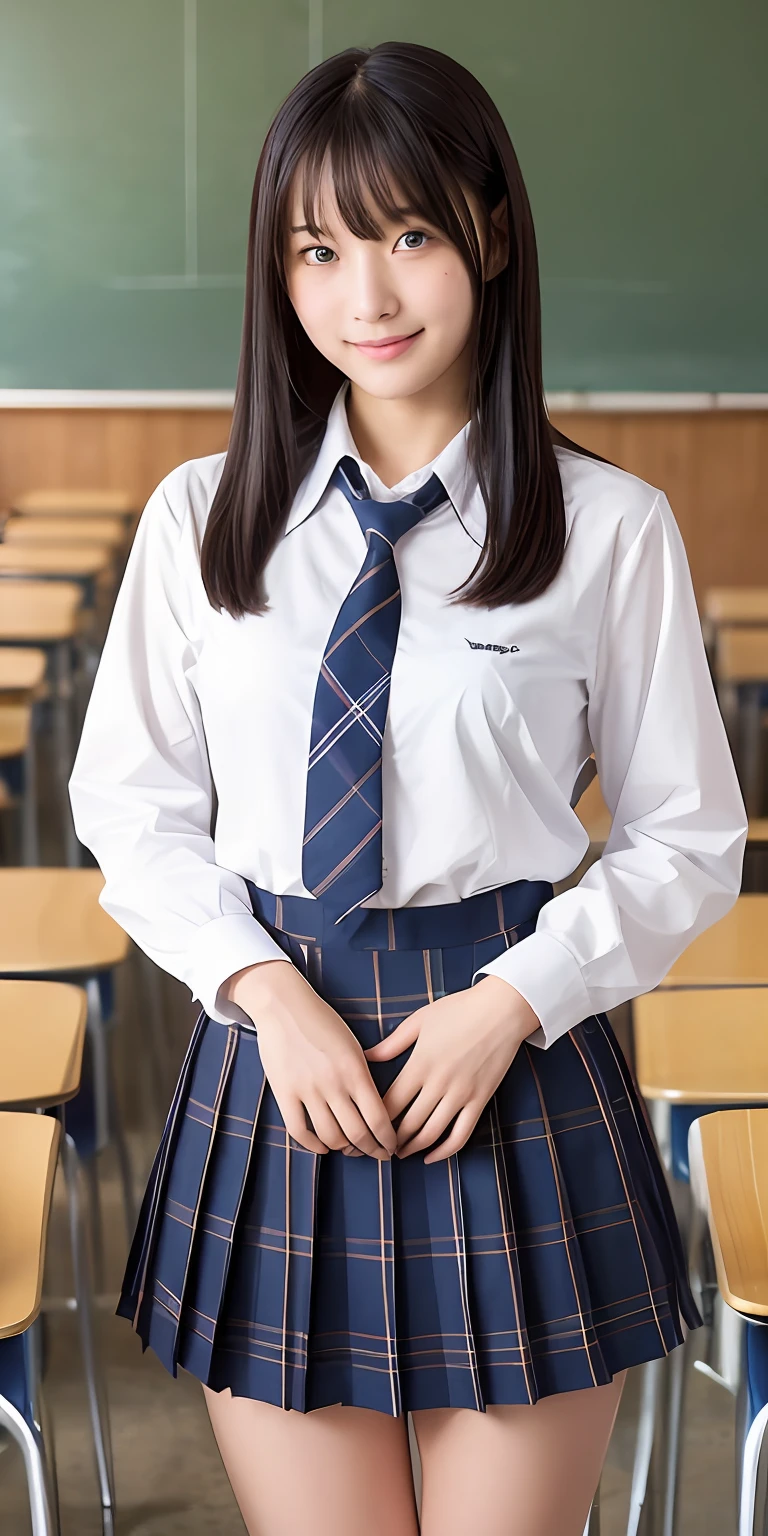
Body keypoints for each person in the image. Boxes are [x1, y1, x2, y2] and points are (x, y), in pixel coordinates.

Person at [68, 40, 747, 1536]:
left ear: (491, 234)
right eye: (318, 250)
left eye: (409, 235)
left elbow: (689, 835)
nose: (364, 297)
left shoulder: (608, 531)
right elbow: (131, 805)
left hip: (513, 1058)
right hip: (277, 1057)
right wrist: (261, 986)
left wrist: (520, 997)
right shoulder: (203, 516)